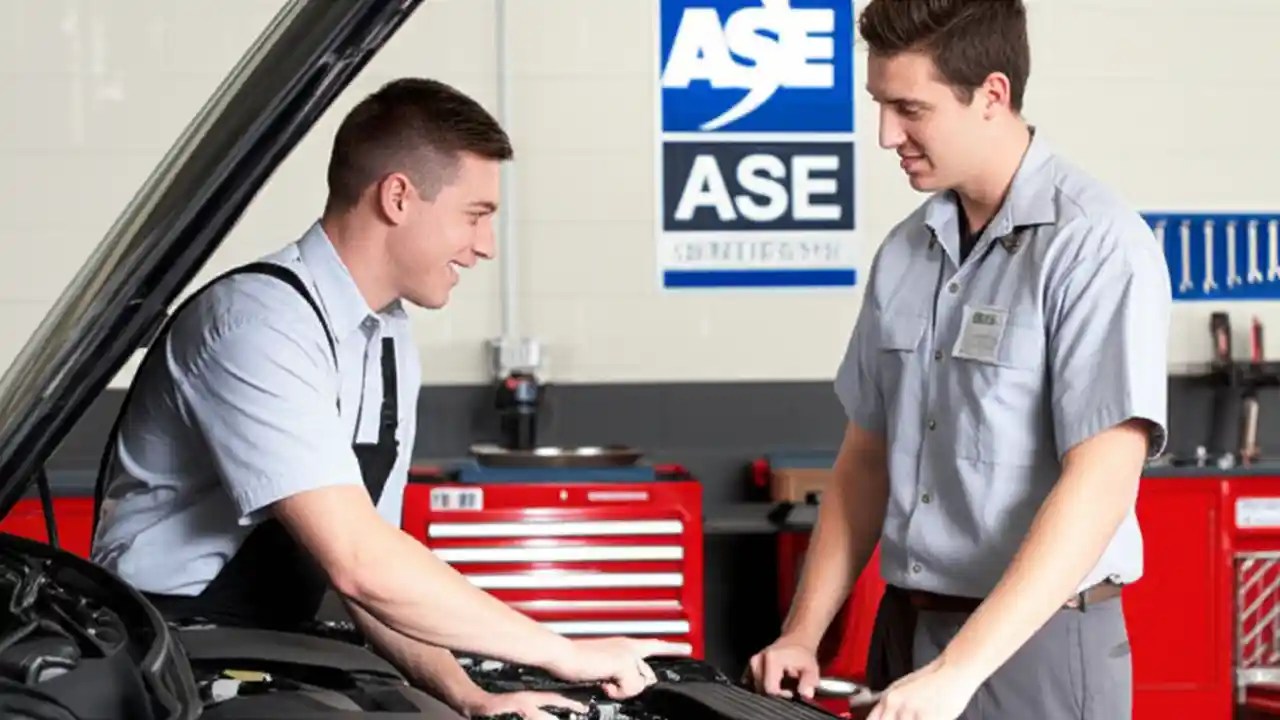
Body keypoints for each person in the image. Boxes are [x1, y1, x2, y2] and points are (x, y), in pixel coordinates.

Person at [90, 77, 681, 720]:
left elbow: (381, 574)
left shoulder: (388, 337)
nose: (484, 246)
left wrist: (470, 697)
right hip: (170, 657)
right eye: (475, 215)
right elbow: (361, 566)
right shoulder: (257, 324)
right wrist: (562, 651)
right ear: (398, 196)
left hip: (270, 645)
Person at [744, 1, 1170, 718]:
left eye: (910, 108)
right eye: (880, 105)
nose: (887, 135)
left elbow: (1101, 483)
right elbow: (865, 460)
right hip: (905, 631)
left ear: (992, 96)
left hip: (1035, 644)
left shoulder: (1094, 246)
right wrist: (802, 634)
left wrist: (960, 669)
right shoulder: (907, 251)